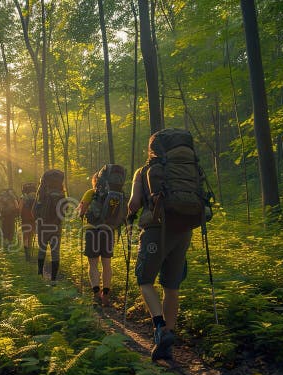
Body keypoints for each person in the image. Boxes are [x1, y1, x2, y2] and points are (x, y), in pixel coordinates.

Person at [127, 131, 197, 361]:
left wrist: (130, 214)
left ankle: (159, 326)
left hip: (156, 231)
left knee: (144, 279)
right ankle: (168, 336)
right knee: (172, 285)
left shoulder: (144, 170)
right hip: (184, 228)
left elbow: (134, 203)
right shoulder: (188, 168)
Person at [76, 174, 114, 307]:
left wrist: (80, 211)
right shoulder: (114, 195)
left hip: (92, 231)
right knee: (106, 264)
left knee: (93, 264)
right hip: (108, 232)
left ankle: (97, 293)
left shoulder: (90, 193)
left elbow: (81, 213)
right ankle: (106, 295)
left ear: (95, 182)